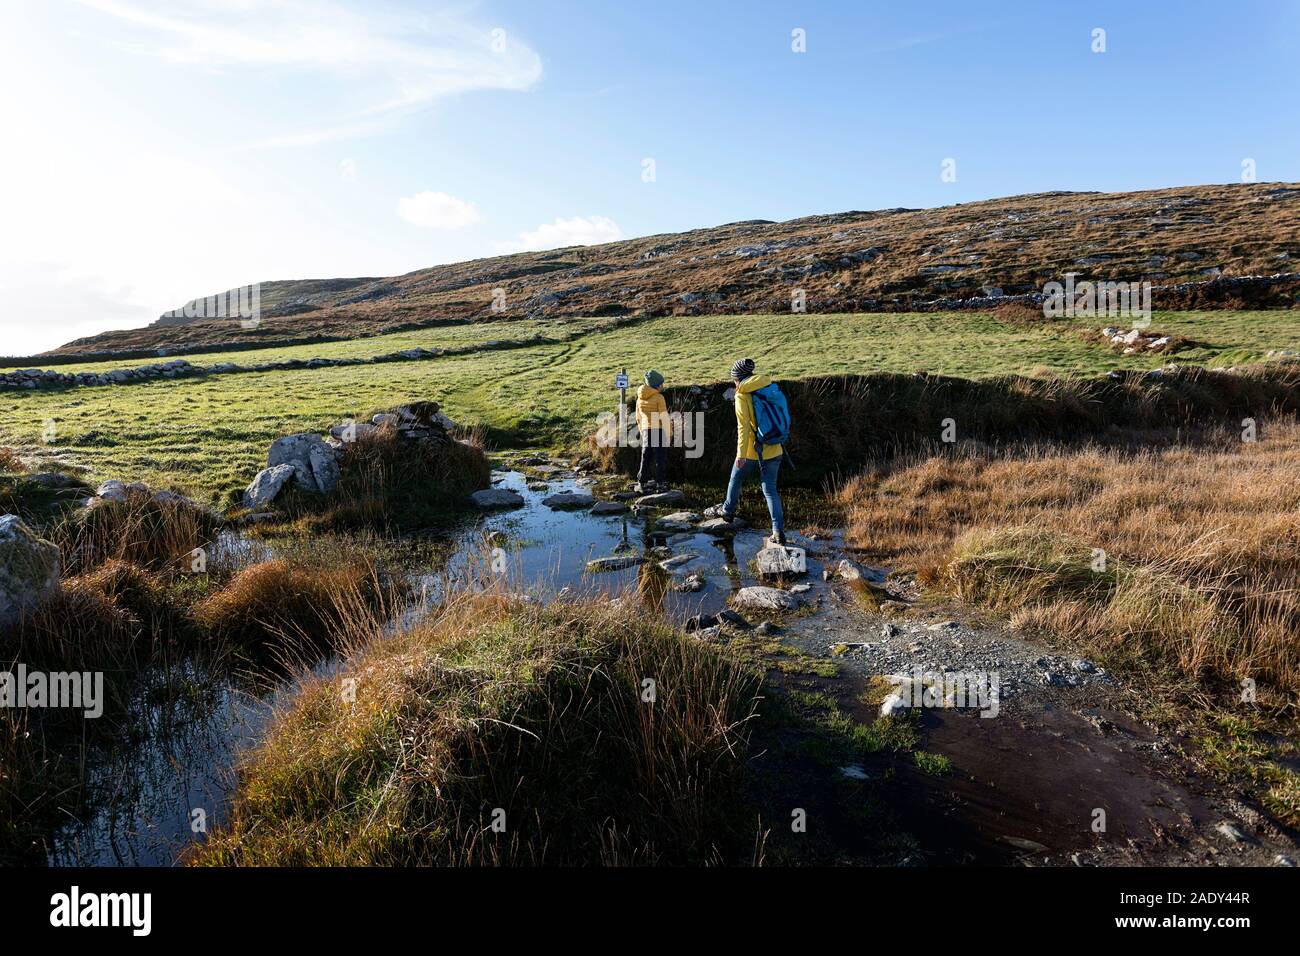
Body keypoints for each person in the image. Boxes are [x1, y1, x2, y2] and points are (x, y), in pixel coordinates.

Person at [705, 358, 786, 545]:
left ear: (738, 378)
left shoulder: (742, 395)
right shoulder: (768, 387)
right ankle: (778, 532)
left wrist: (740, 455)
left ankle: (728, 511)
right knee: (770, 490)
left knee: (736, 478)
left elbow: (744, 429)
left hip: (751, 451)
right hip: (775, 448)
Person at [634, 369, 672, 492]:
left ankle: (642, 483)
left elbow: (638, 417)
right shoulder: (659, 397)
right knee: (660, 457)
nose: (663, 385)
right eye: (662, 383)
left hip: (646, 430)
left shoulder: (639, 398)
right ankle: (660, 484)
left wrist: (642, 430)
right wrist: (669, 434)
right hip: (659, 430)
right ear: (657, 385)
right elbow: (664, 417)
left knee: (646, 456)